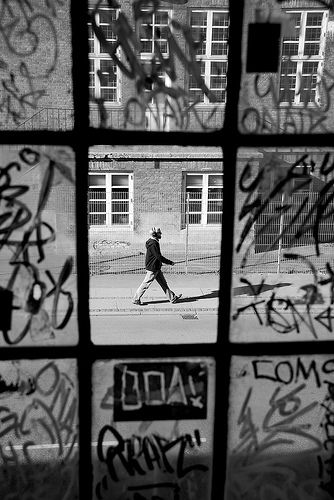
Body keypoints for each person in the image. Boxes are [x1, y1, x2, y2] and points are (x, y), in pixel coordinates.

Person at [132, 227, 182, 305]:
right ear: (155, 234)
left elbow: (157, 257)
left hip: (156, 267)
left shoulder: (153, 242)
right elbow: (158, 256)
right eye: (159, 233)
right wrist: (170, 262)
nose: (161, 234)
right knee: (146, 283)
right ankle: (136, 299)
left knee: (163, 283)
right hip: (153, 268)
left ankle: (172, 298)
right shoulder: (153, 243)